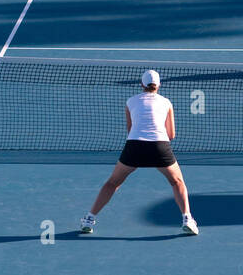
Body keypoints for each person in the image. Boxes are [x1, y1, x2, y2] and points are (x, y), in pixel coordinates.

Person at [80, 70, 198, 237]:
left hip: (134, 146)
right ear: (159, 85)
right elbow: (171, 135)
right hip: (160, 146)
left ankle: (89, 219)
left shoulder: (131, 101)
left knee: (113, 183)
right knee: (177, 182)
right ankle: (187, 219)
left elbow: (130, 130)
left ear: (142, 85)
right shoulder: (166, 102)